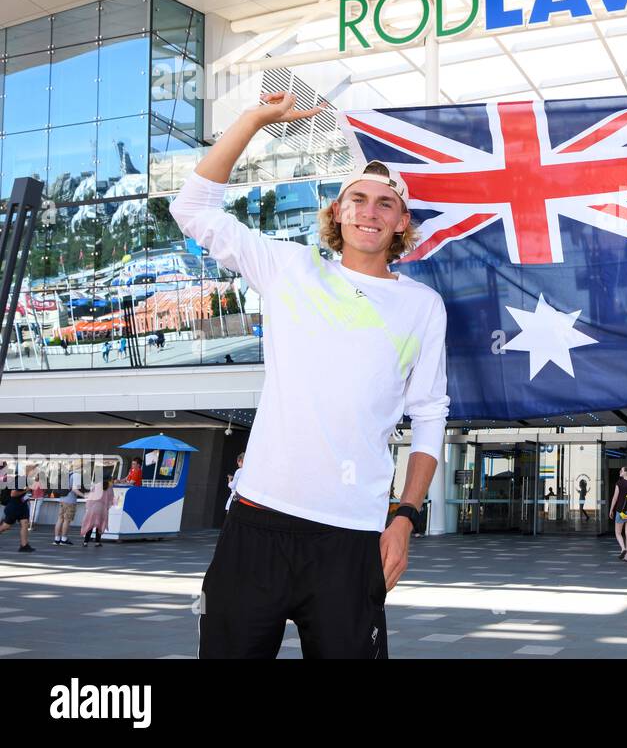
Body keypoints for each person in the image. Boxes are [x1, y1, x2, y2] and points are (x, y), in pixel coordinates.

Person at [171, 90, 450, 659]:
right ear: (338, 213)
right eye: (358, 199)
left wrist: (405, 518)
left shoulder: (422, 306)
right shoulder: (290, 268)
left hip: (352, 537)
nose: (370, 211)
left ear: (401, 223)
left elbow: (428, 416)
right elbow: (193, 209)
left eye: (384, 204)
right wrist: (252, 121)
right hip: (257, 524)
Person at [609, 466, 627, 561]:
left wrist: (611, 509)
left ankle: (623, 548)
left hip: (620, 511)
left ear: (626, 472)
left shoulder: (619, 483)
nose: (620, 471)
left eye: (621, 470)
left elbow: (615, 498)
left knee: (618, 532)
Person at [53, 466, 84, 546]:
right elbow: (74, 489)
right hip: (70, 501)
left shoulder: (68, 474)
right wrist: (84, 496)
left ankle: (57, 539)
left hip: (62, 499)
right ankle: (64, 539)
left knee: (60, 519)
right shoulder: (77, 475)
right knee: (67, 520)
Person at [81, 477, 116, 547]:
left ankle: (85, 542)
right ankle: (97, 542)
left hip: (94, 507)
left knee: (90, 524)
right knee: (100, 525)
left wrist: (89, 506)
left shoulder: (96, 486)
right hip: (102, 508)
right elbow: (111, 499)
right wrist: (108, 506)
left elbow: (91, 496)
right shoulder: (110, 488)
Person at [0, 487, 35, 553]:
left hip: (22, 506)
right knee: (6, 526)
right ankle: (24, 545)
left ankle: (24, 546)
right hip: (14, 507)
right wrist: (25, 491)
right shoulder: (20, 479)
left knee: (25, 523)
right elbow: (13, 493)